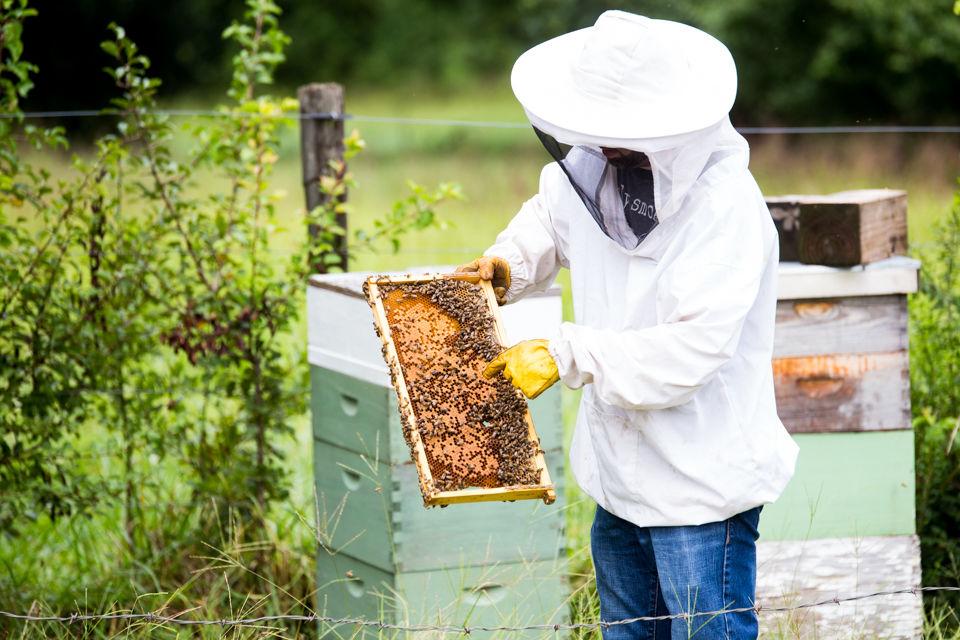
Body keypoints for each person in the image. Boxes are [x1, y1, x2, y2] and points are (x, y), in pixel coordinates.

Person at [456, 11, 799, 640]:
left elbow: (691, 352)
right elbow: (550, 218)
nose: (601, 143)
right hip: (618, 483)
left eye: (615, 130)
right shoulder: (596, 168)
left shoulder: (723, 206)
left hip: (702, 489)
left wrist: (566, 355)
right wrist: (509, 263)